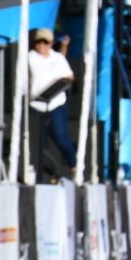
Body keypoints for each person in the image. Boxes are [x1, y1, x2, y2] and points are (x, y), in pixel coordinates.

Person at [27, 27, 77, 179]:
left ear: (50, 43)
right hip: (36, 105)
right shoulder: (30, 57)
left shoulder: (58, 58)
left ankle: (74, 165)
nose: (41, 46)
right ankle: (41, 172)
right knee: (37, 144)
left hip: (56, 103)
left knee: (60, 137)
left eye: (45, 42)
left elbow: (69, 76)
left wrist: (61, 83)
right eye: (38, 42)